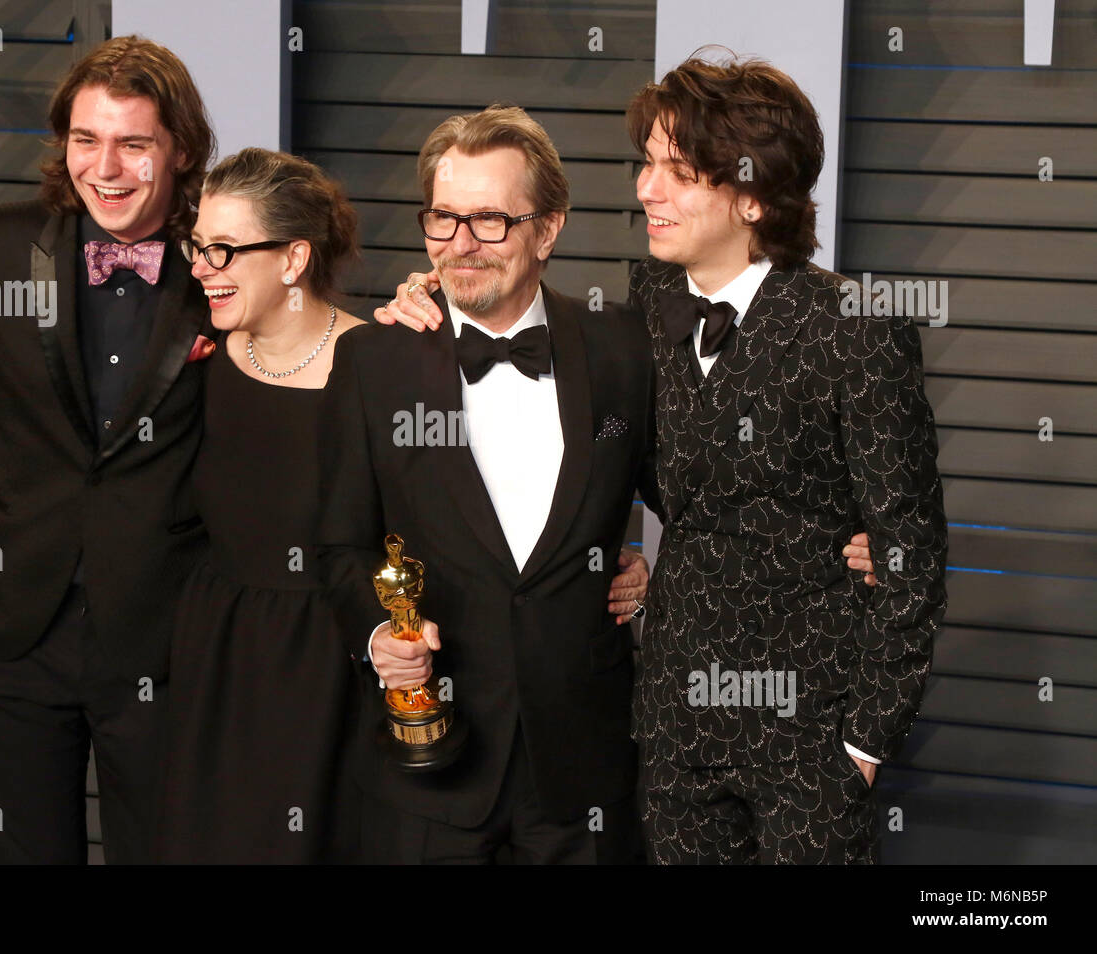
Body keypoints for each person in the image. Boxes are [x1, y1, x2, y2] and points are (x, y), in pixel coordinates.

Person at [317, 105, 685, 864]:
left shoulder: (624, 347)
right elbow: (335, 543)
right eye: (444, 219)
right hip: (428, 769)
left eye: (489, 221)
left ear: (547, 230)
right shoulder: (374, 361)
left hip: (584, 768)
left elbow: (692, 498)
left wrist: (656, 573)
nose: (460, 245)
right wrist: (381, 634)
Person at [0, 36, 216, 864]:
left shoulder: (223, 260)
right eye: (85, 140)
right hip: (0, 637)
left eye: (134, 144)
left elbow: (305, 363)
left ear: (179, 149)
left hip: (164, 643)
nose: (105, 168)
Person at [623, 55, 947, 864]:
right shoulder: (643, 306)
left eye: (679, 172)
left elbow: (912, 548)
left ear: (753, 194)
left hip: (811, 735)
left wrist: (865, 744)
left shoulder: (855, 324)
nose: (646, 190)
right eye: (647, 164)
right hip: (673, 722)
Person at [155, 148, 367, 863]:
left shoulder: (383, 366)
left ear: (293, 259)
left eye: (223, 249)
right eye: (198, 246)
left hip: (328, 666)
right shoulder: (201, 353)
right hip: (216, 654)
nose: (201, 266)